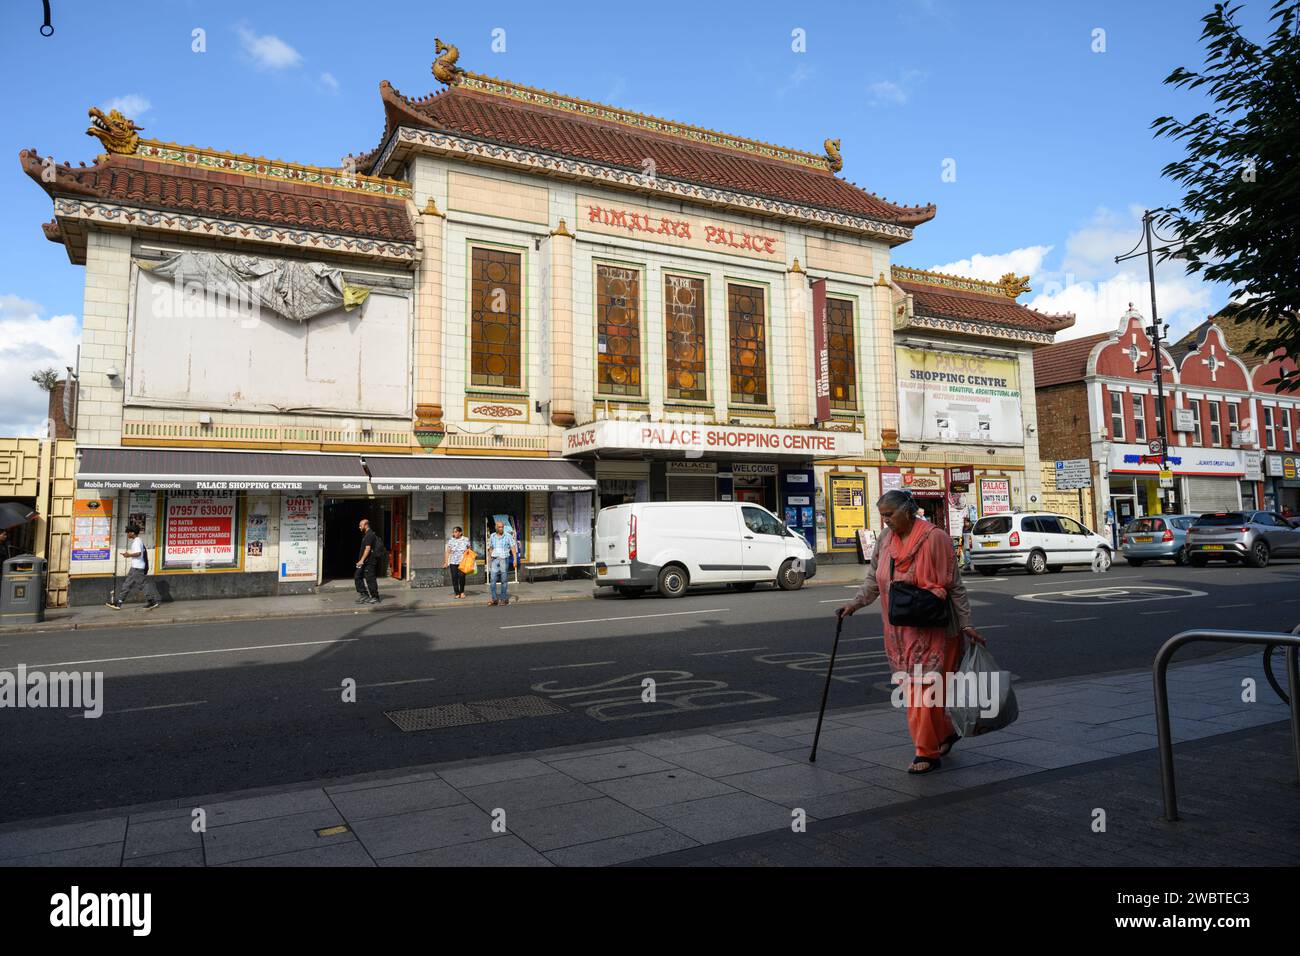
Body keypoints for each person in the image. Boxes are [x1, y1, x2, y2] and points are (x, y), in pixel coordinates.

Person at [839, 490, 984, 775]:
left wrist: (966, 624)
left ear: (909, 511)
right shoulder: (885, 540)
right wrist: (854, 604)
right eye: (882, 515)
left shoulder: (935, 538)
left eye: (890, 514)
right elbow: (873, 579)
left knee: (923, 690)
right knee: (916, 689)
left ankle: (926, 752)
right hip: (899, 628)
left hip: (936, 629)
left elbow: (954, 585)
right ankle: (943, 732)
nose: (885, 521)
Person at [106, 523, 160, 610]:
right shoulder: (137, 541)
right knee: (127, 585)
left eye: (128, 532)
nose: (127, 534)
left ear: (133, 533)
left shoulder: (137, 542)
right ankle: (118, 603)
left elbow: (138, 553)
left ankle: (152, 601)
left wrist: (128, 555)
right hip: (135, 567)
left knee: (142, 585)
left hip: (138, 568)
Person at [487, 519, 518, 607]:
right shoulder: (492, 536)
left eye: (502, 527)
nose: (501, 528)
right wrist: (489, 561)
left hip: (504, 559)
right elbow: (490, 548)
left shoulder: (508, 536)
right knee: (492, 580)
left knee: (504, 580)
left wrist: (515, 560)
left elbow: (513, 548)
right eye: (499, 527)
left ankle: (503, 599)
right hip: (494, 559)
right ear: (496, 527)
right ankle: (494, 599)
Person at [355, 518, 380, 605]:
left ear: (366, 524)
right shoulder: (366, 535)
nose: (359, 527)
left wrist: (361, 560)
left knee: (370, 579)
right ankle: (364, 594)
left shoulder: (370, 535)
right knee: (357, 576)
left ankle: (375, 597)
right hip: (364, 561)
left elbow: (368, 549)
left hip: (369, 561)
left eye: (360, 525)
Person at [445, 526, 470, 599]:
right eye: (453, 532)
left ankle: (462, 592)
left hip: (463, 562)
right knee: (454, 577)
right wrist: (446, 562)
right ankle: (457, 593)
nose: (454, 533)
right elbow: (447, 552)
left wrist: (468, 557)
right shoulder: (451, 540)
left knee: (462, 577)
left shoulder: (466, 539)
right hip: (453, 562)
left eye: (455, 532)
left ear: (460, 532)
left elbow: (469, 549)